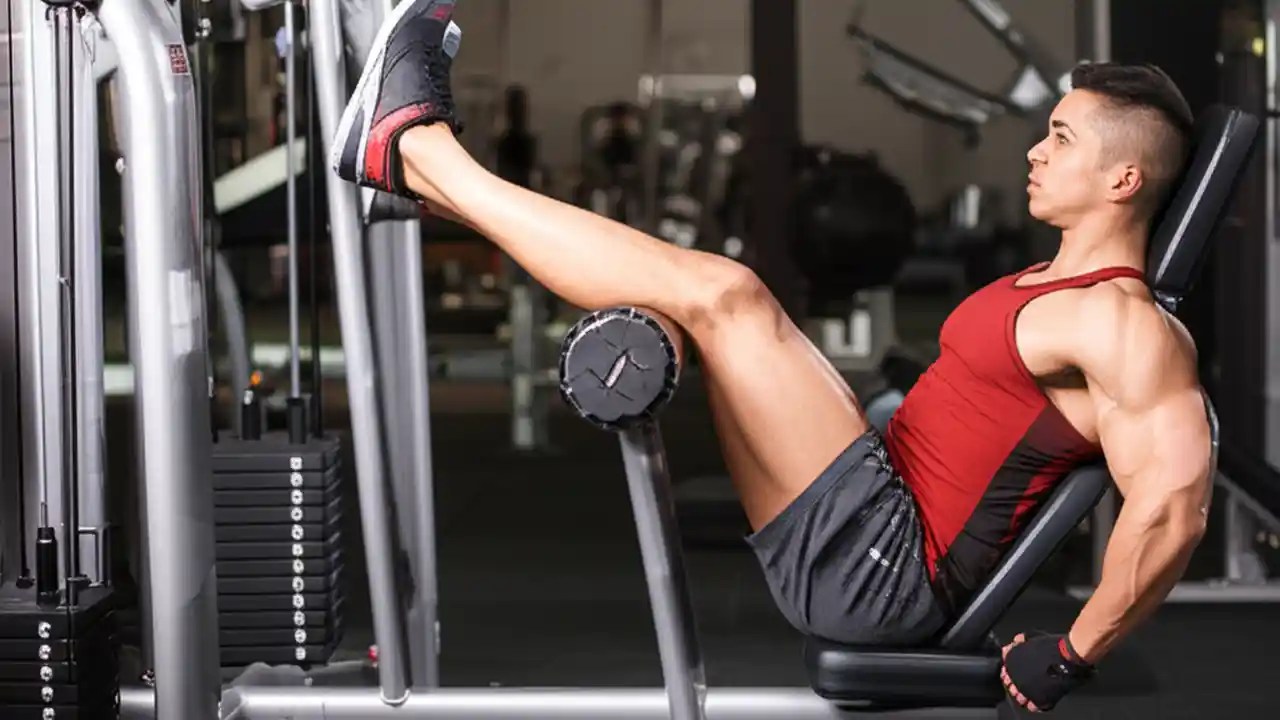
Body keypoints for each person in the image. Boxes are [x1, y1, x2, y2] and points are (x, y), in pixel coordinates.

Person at [330, 1, 1214, 712]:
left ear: (1122, 181)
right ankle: (437, 185)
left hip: (883, 568)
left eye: (1061, 139)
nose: (1035, 148)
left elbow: (1173, 508)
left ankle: (414, 148)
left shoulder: (1121, 323)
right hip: (878, 493)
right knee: (728, 301)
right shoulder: (1049, 282)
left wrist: (1073, 652)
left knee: (730, 297)